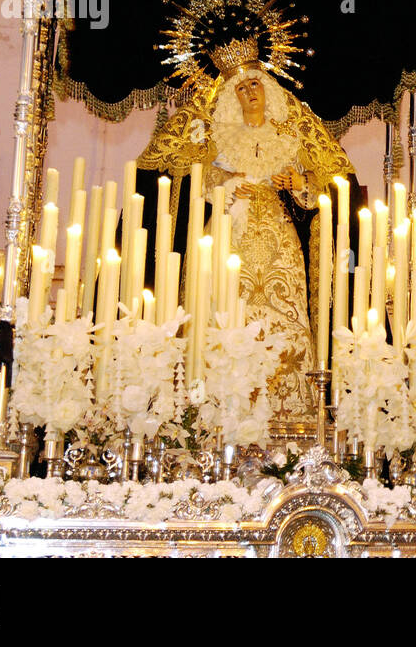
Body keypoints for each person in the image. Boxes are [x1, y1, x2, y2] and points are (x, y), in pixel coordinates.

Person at [138, 34, 355, 432]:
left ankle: (289, 414)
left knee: (285, 320)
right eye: (241, 87)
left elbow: (325, 188)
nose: (250, 91)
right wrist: (222, 180)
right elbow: (187, 182)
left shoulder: (290, 133)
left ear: (267, 88)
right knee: (219, 314)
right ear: (230, 97)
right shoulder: (214, 135)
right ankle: (211, 414)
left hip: (279, 240)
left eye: (255, 83)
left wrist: (298, 180)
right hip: (226, 231)